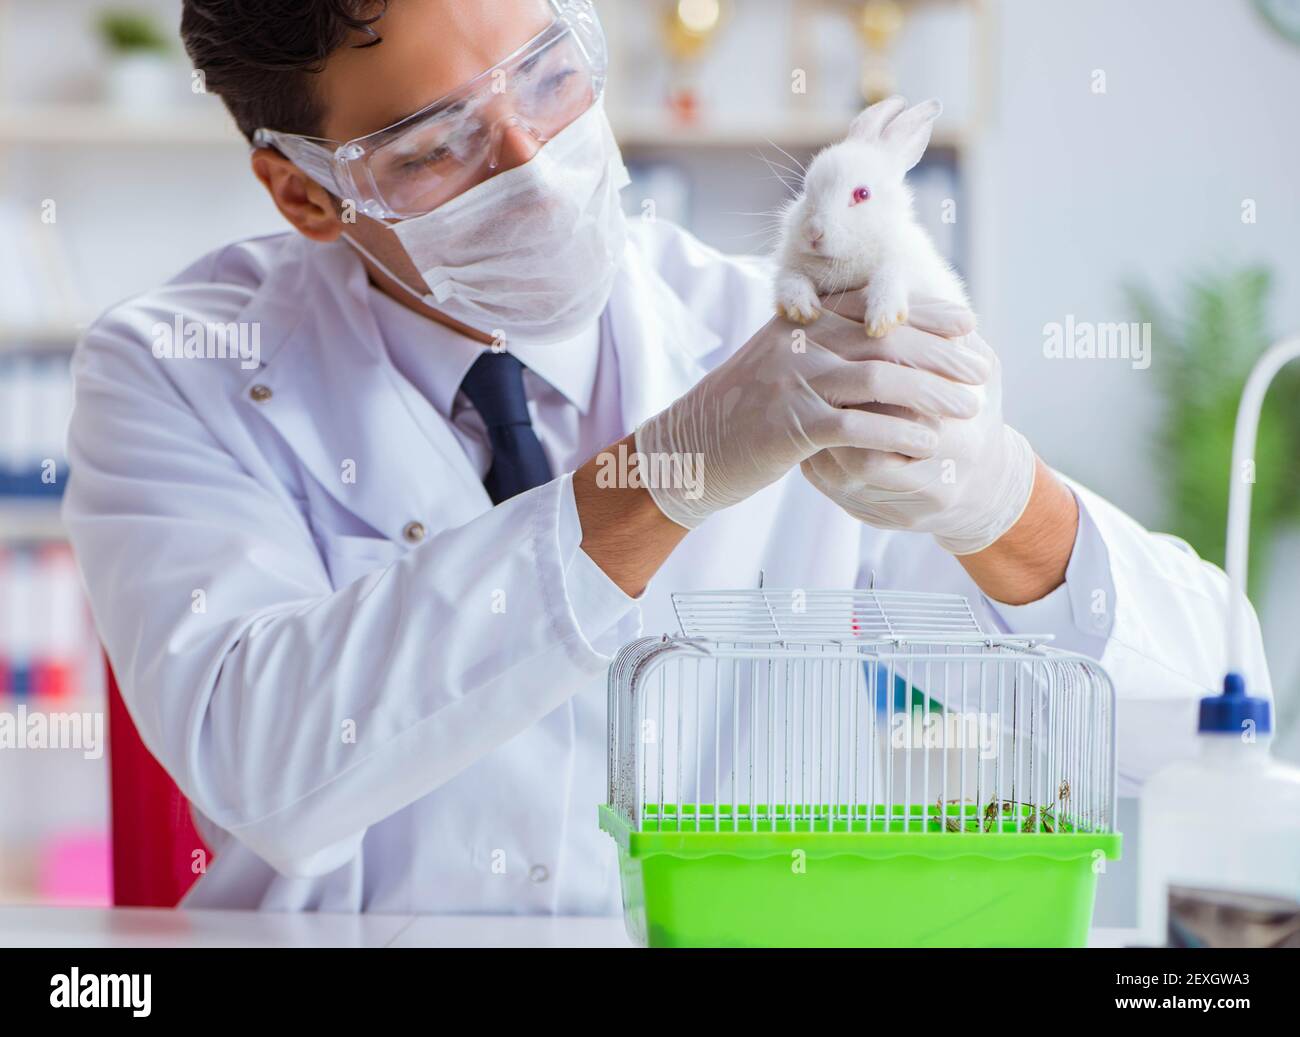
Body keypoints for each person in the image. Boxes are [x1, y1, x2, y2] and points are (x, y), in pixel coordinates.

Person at [64, 0, 1269, 913]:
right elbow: (264, 763)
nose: (533, 162)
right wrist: (670, 470)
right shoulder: (180, 367)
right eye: (436, 146)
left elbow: (1200, 732)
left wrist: (998, 502)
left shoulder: (793, 342)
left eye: (546, 74)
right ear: (306, 193)